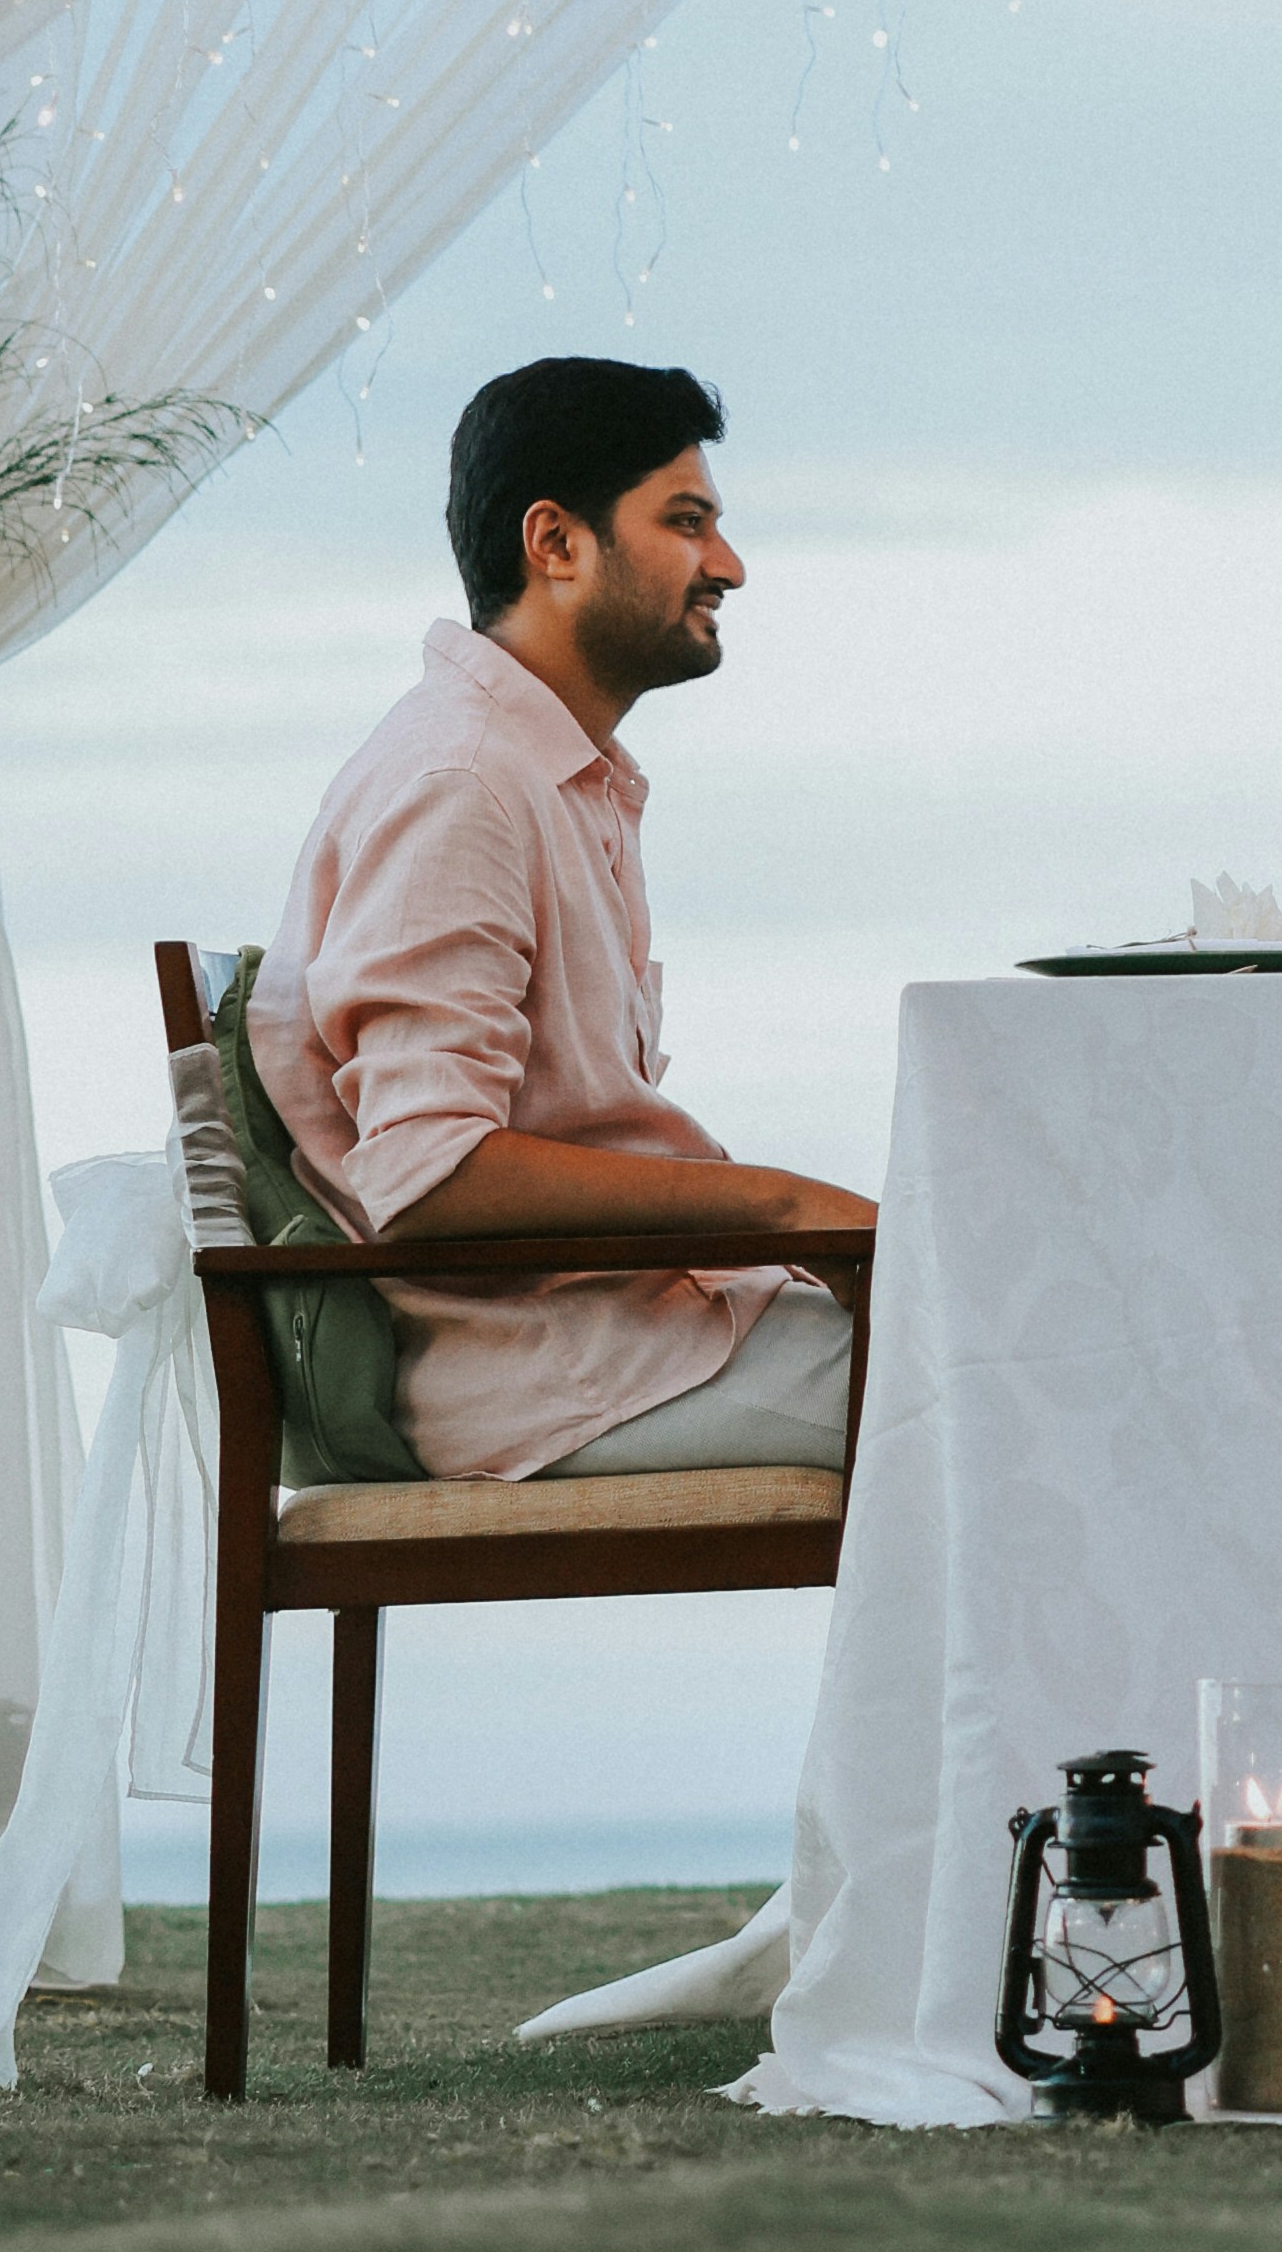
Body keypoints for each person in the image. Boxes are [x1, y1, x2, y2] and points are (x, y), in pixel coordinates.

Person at [250, 358, 874, 1484]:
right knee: (1028, 1394)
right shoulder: (466, 781)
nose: (727, 567)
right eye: (686, 523)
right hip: (548, 1377)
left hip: (636, 1333)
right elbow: (429, 1170)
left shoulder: (550, 778)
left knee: (1040, 1358)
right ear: (556, 544)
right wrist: (780, 1207)